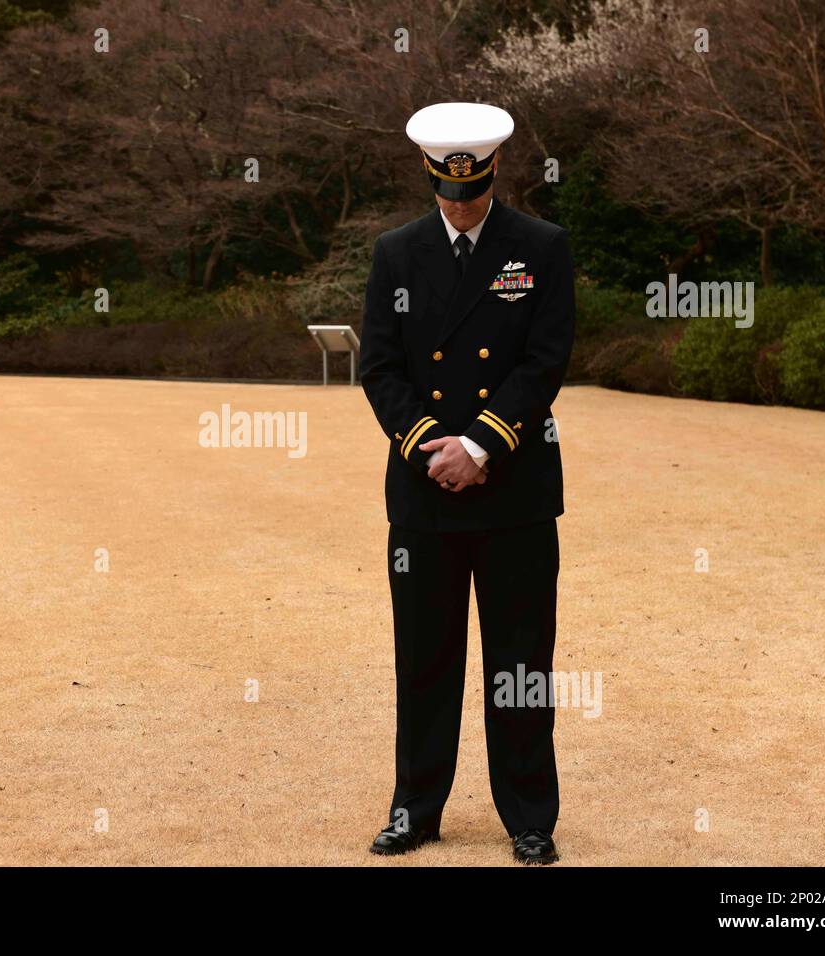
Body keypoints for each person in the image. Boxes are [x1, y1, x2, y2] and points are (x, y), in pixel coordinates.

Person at [359, 102, 575, 864]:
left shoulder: (541, 247)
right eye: (449, 196)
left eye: (473, 194)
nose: (461, 207)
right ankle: (414, 808)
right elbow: (379, 366)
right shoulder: (396, 253)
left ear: (490, 177)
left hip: (513, 489)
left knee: (520, 661)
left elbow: (545, 360)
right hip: (425, 493)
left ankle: (529, 817)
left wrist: (481, 445)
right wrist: (431, 448)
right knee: (424, 656)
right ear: (431, 181)